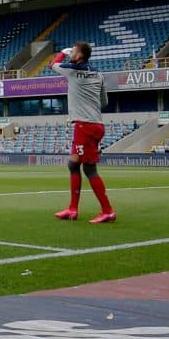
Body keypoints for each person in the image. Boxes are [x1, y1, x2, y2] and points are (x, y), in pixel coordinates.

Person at [51, 42, 115, 223]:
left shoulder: (71, 71)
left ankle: (108, 211)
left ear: (79, 56)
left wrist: (62, 53)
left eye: (74, 51)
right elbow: (104, 102)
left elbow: (53, 65)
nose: (71, 53)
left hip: (84, 126)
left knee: (89, 168)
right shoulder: (99, 74)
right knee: (73, 165)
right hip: (95, 124)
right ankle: (72, 209)